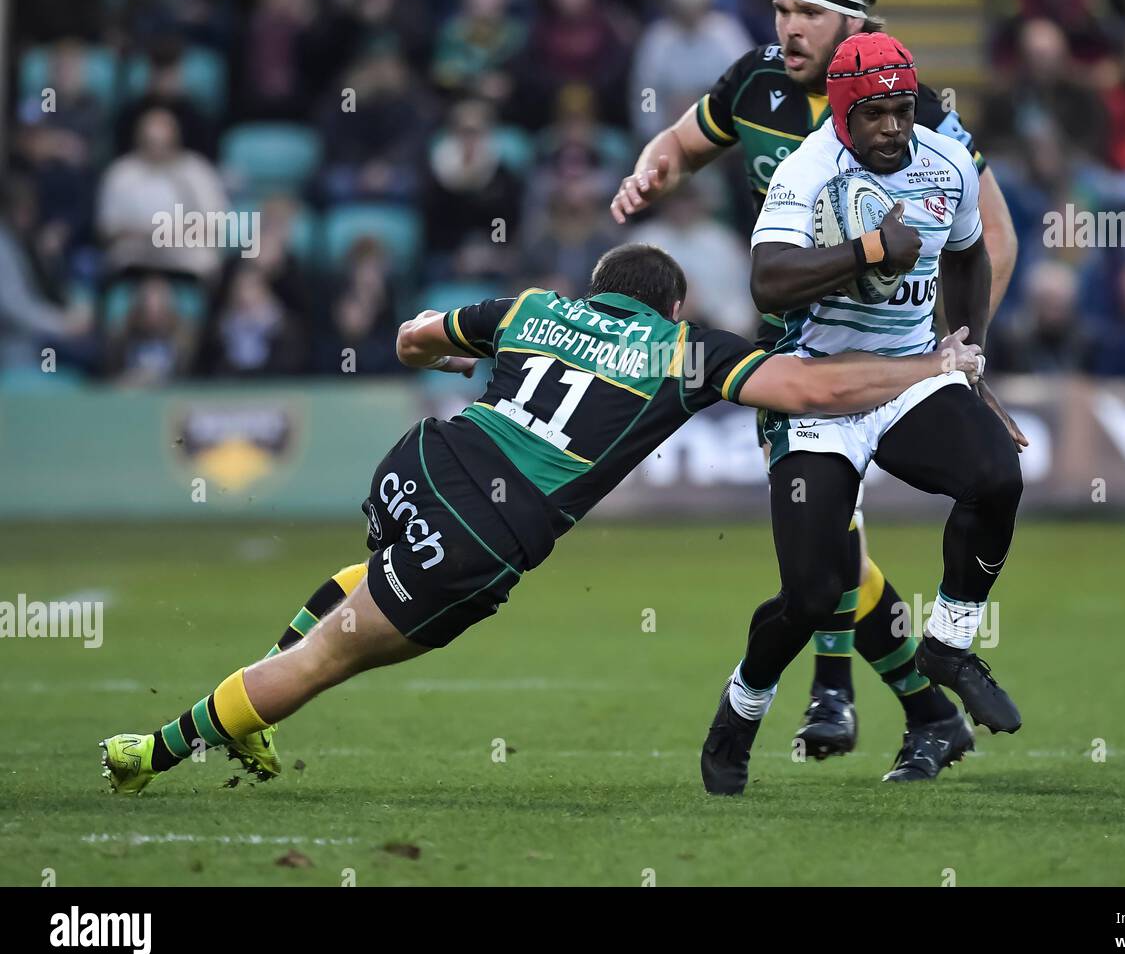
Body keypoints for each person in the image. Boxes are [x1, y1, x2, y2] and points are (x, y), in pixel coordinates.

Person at [100, 243, 984, 795]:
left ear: (597, 288)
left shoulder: (534, 310)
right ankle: (159, 749)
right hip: (487, 535)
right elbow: (812, 387)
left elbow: (412, 336)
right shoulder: (681, 350)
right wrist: (928, 368)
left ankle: (259, 694)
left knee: (367, 600)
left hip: (422, 460)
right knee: (334, 658)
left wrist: (457, 361)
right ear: (670, 308)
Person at [611, 0, 1020, 778]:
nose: (786, 27)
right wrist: (648, 173)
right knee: (825, 566)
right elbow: (682, 147)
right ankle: (888, 703)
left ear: (853, 25)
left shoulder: (922, 112)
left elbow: (986, 239)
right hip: (798, 356)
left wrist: (962, 355)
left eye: (806, 12)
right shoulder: (760, 86)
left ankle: (874, 693)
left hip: (899, 358)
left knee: (877, 537)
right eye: (781, 8)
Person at [699, 32, 1027, 797]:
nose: (891, 127)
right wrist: (868, 248)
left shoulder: (943, 160)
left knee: (995, 475)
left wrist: (970, 356)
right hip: (821, 387)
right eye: (874, 113)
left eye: (902, 110)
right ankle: (742, 707)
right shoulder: (806, 169)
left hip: (912, 373)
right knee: (813, 597)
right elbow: (768, 282)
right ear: (843, 111)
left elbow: (969, 253)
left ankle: (947, 646)